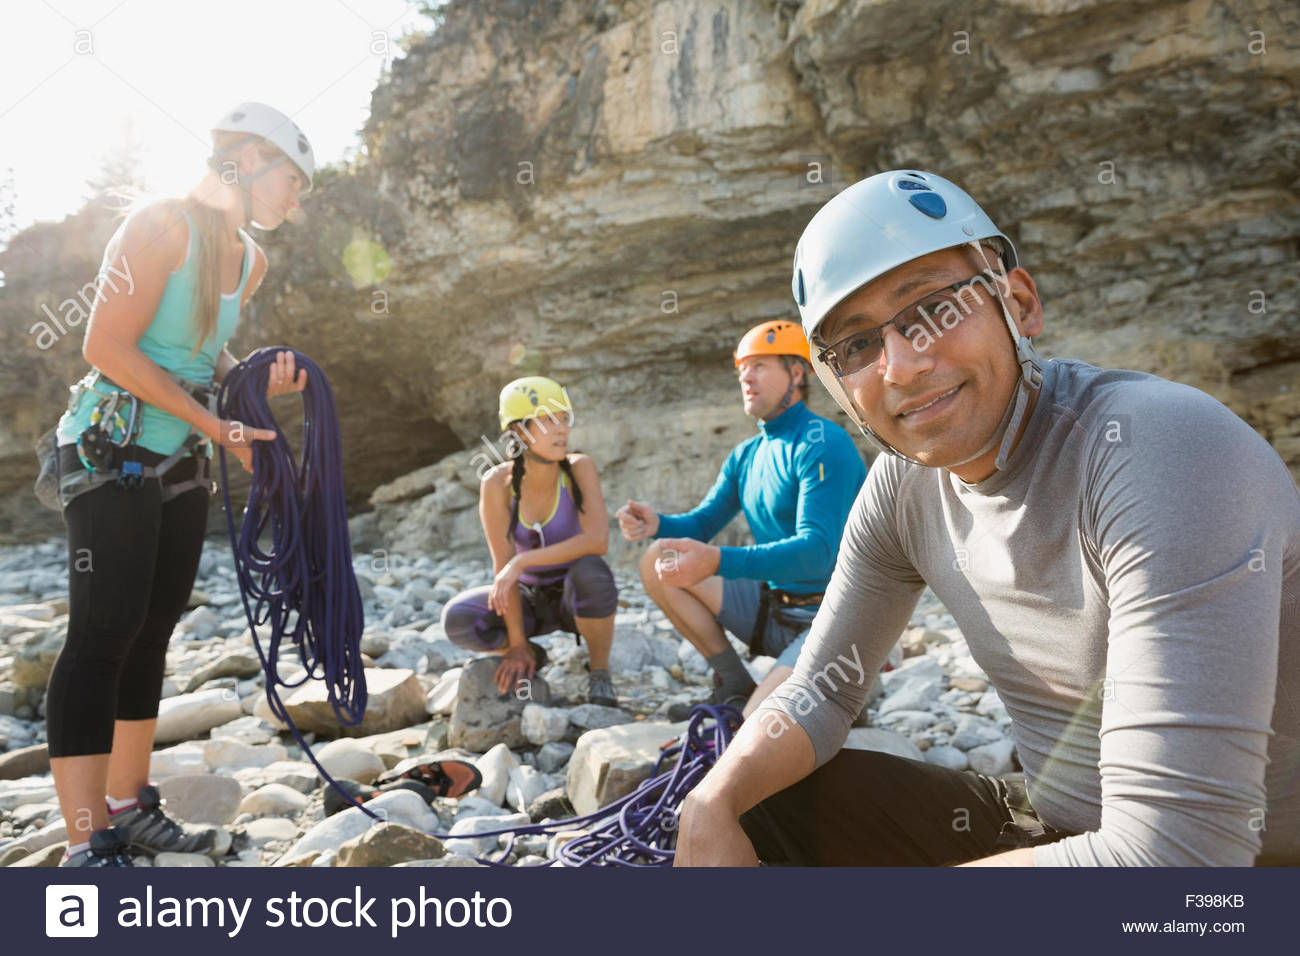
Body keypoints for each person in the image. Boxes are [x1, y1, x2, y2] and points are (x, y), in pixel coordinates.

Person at [674, 169, 1300, 867]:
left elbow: (1181, 857)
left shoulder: (1161, 449)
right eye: (857, 346)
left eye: (932, 308)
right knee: (764, 803)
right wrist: (714, 798)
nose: (903, 367)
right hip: (1061, 826)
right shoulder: (903, 489)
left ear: (1020, 303)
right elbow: (824, 686)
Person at [47, 103, 315, 867]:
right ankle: (80, 841)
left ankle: (129, 808)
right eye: (292, 178)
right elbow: (107, 343)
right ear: (248, 161)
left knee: (151, 633)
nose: (298, 197)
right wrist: (211, 423)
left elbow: (204, 347)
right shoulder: (161, 224)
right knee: (101, 635)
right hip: (112, 448)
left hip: (185, 459)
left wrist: (253, 381)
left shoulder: (250, 259)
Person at [617, 322, 866, 720]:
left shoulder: (824, 442)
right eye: (742, 370)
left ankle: (840, 693)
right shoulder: (747, 454)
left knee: (753, 729)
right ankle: (735, 682)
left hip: (832, 623)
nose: (745, 377)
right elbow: (701, 525)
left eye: (760, 366)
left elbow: (817, 553)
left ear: (797, 374)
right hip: (773, 612)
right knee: (657, 557)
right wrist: (656, 524)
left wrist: (717, 561)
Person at [442, 376, 619, 706]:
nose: (562, 430)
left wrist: (522, 561)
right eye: (550, 421)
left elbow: (598, 540)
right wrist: (517, 643)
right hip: (527, 602)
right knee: (458, 618)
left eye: (565, 420)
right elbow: (501, 564)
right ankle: (531, 653)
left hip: (573, 596)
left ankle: (599, 672)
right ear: (519, 432)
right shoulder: (496, 483)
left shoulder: (580, 468)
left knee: (592, 571)